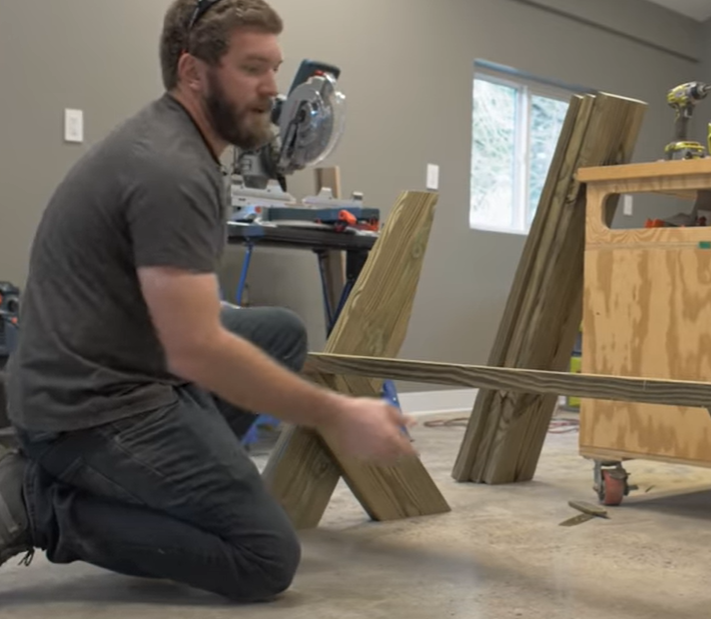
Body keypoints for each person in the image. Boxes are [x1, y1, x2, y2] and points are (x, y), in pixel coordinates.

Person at [0, 0, 416, 603]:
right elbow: (196, 349)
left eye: (274, 68)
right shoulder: (171, 169)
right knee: (264, 557)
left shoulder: (178, 143)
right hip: (83, 412)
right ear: (194, 72)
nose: (273, 91)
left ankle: (152, 487)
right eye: (253, 69)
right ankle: (44, 504)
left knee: (278, 333)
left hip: (122, 370)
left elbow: (177, 315)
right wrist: (336, 412)